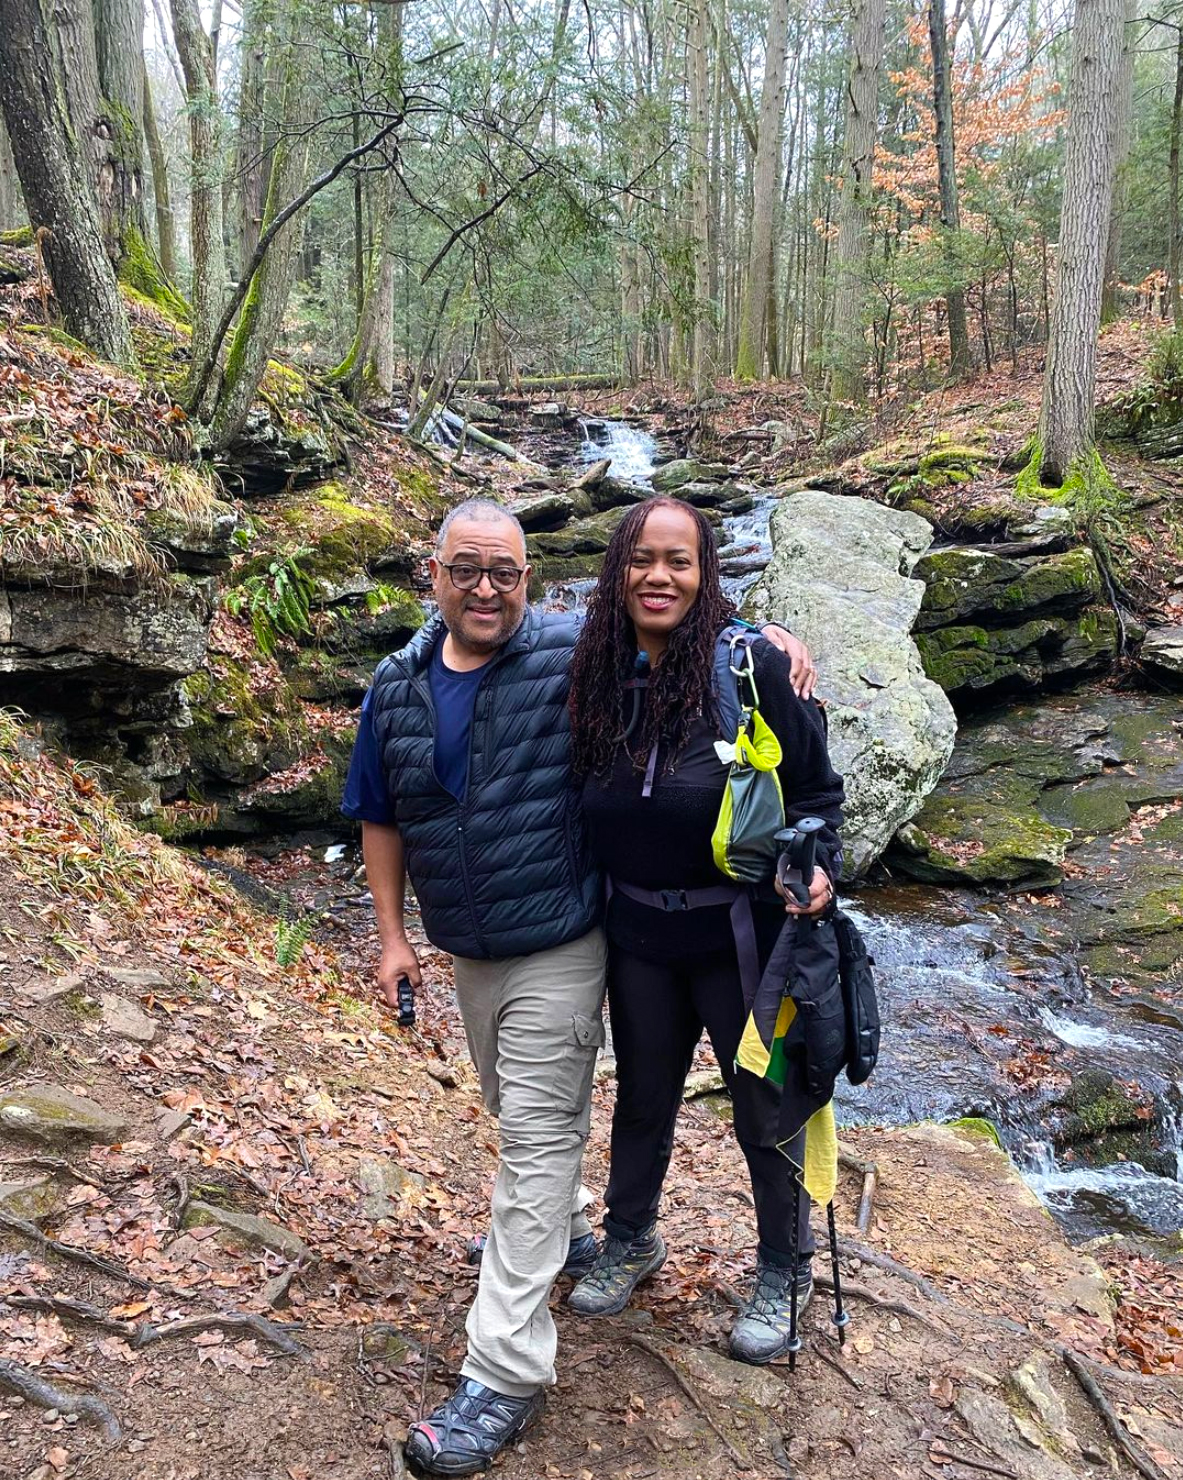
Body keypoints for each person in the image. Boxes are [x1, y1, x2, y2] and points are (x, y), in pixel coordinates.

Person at [341, 498, 815, 1476]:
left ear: (529, 580)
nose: (486, 588)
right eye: (466, 569)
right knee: (543, 1117)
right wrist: (393, 937)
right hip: (490, 944)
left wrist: (756, 633)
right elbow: (379, 813)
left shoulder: (568, 653)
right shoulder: (394, 687)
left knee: (553, 1134)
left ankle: (504, 1369)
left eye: (505, 573)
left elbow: (671, 617)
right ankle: (577, 1231)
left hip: (584, 938)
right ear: (432, 573)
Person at [564, 496, 845, 1365]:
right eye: (642, 559)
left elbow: (816, 793)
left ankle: (784, 1266)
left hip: (740, 940)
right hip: (636, 935)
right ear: (618, 569)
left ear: (704, 572)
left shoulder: (753, 668)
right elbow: (482, 622)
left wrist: (820, 865)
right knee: (643, 1100)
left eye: (678, 561)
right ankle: (629, 1238)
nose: (658, 576)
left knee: (765, 1104)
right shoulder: (591, 664)